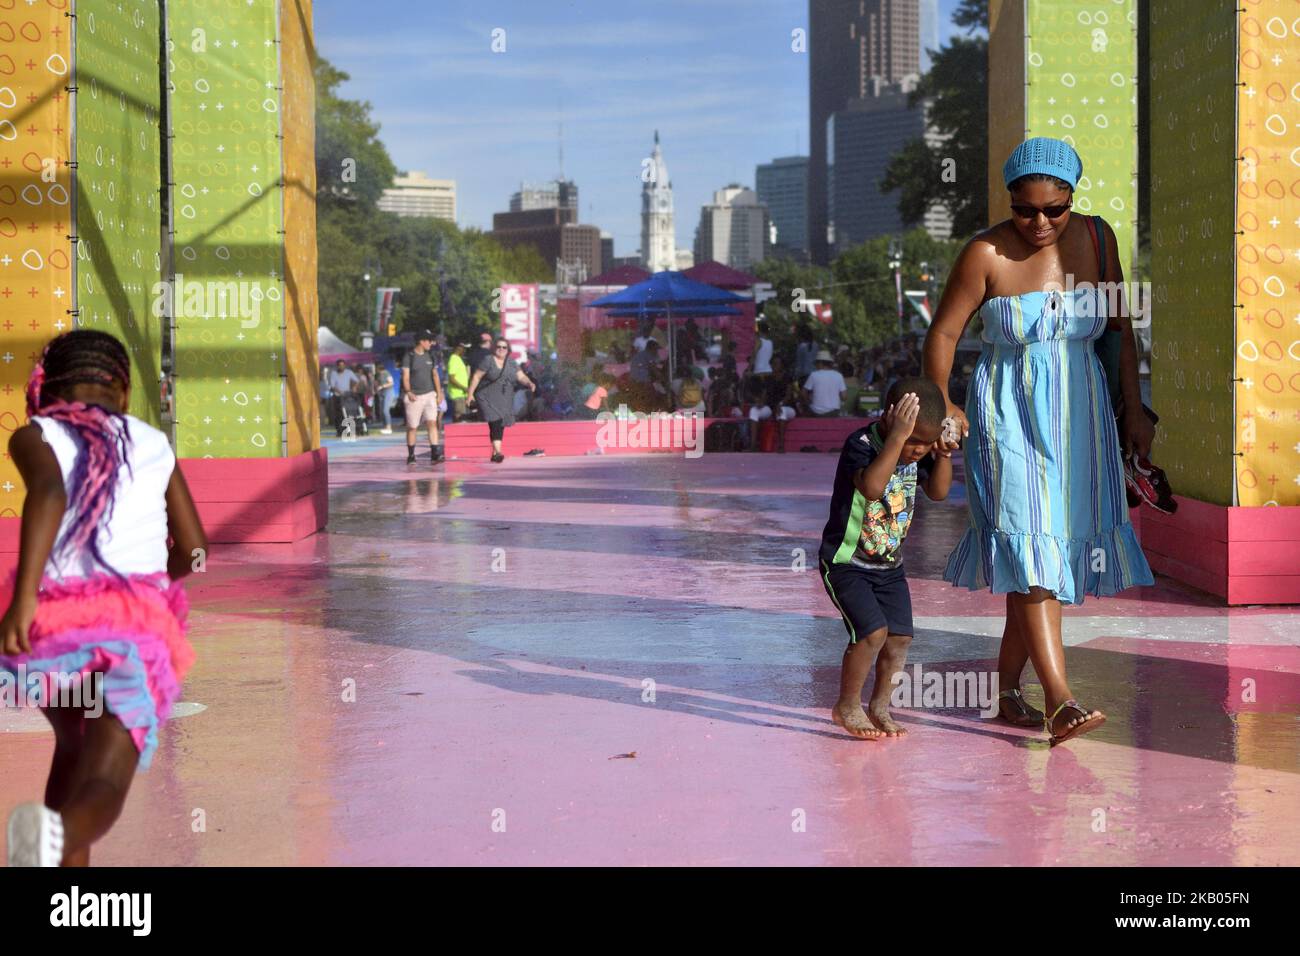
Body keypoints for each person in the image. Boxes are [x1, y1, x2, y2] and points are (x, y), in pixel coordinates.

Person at [923, 136, 1153, 745]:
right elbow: (944, 334)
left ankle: (1003, 695)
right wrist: (944, 402)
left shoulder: (1099, 239)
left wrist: (1135, 408)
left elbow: (1121, 332)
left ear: (1072, 199)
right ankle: (1061, 702)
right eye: (1027, 210)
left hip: (1082, 414)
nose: (1042, 222)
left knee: (1049, 553)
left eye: (1056, 209)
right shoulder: (984, 252)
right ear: (1010, 202)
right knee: (1032, 554)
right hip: (1007, 416)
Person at [1, 330, 207, 865]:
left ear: (49, 388)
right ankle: (55, 842)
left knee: (72, 748)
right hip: (133, 627)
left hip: (52, 623)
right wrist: (155, 586)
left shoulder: (35, 434)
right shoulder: (153, 442)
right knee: (108, 774)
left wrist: (24, 599)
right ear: (122, 388)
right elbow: (195, 549)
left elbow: (47, 491)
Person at [819, 378, 952, 739]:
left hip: (890, 566)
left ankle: (880, 706)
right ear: (887, 418)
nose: (915, 451)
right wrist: (896, 439)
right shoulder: (861, 445)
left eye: (923, 446)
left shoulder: (920, 450)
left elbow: (939, 493)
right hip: (846, 560)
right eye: (911, 442)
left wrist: (942, 454)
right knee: (871, 633)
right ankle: (847, 705)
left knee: (899, 638)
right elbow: (873, 487)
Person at [467, 337, 536, 463]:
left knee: (499, 424)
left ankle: (495, 453)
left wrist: (529, 383)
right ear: (494, 348)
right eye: (499, 346)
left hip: (504, 397)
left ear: (508, 349)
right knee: (495, 421)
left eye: (504, 347)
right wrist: (470, 394)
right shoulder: (488, 360)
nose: (501, 349)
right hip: (486, 396)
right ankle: (498, 452)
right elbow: (476, 377)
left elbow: (521, 376)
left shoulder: (511, 363)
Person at [401, 330, 445, 464]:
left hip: (430, 394)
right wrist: (408, 391)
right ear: (421, 341)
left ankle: (435, 453)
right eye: (429, 341)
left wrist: (439, 393)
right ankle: (411, 455)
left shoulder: (431, 356)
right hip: (414, 396)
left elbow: (435, 375)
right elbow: (405, 376)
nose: (431, 343)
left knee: (432, 422)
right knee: (412, 427)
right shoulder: (409, 356)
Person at [803, 350, 846, 416]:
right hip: (833, 412)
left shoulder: (813, 375)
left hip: (815, 411)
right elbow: (844, 397)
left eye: (816, 363)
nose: (815, 366)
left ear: (820, 363)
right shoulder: (838, 375)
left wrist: (808, 402)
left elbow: (803, 393)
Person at [326, 359, 358, 425]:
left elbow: (357, 381)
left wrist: (354, 387)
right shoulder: (334, 373)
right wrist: (340, 392)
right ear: (337, 366)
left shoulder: (349, 372)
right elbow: (332, 385)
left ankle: (350, 426)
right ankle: (340, 429)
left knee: (348, 411)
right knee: (338, 413)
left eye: (343, 365)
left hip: (347, 395)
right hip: (338, 396)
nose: (341, 367)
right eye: (340, 365)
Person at [445, 342, 470, 423]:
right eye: (464, 348)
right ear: (459, 348)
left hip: (461, 393)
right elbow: (451, 378)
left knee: (461, 416)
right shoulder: (453, 359)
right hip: (457, 393)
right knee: (459, 416)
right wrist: (464, 388)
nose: (465, 351)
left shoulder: (458, 359)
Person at [375, 364, 395, 435]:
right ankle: (385, 426)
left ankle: (389, 427)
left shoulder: (386, 373)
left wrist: (382, 386)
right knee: (382, 410)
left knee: (385, 410)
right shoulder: (378, 375)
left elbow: (391, 383)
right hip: (382, 393)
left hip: (388, 392)